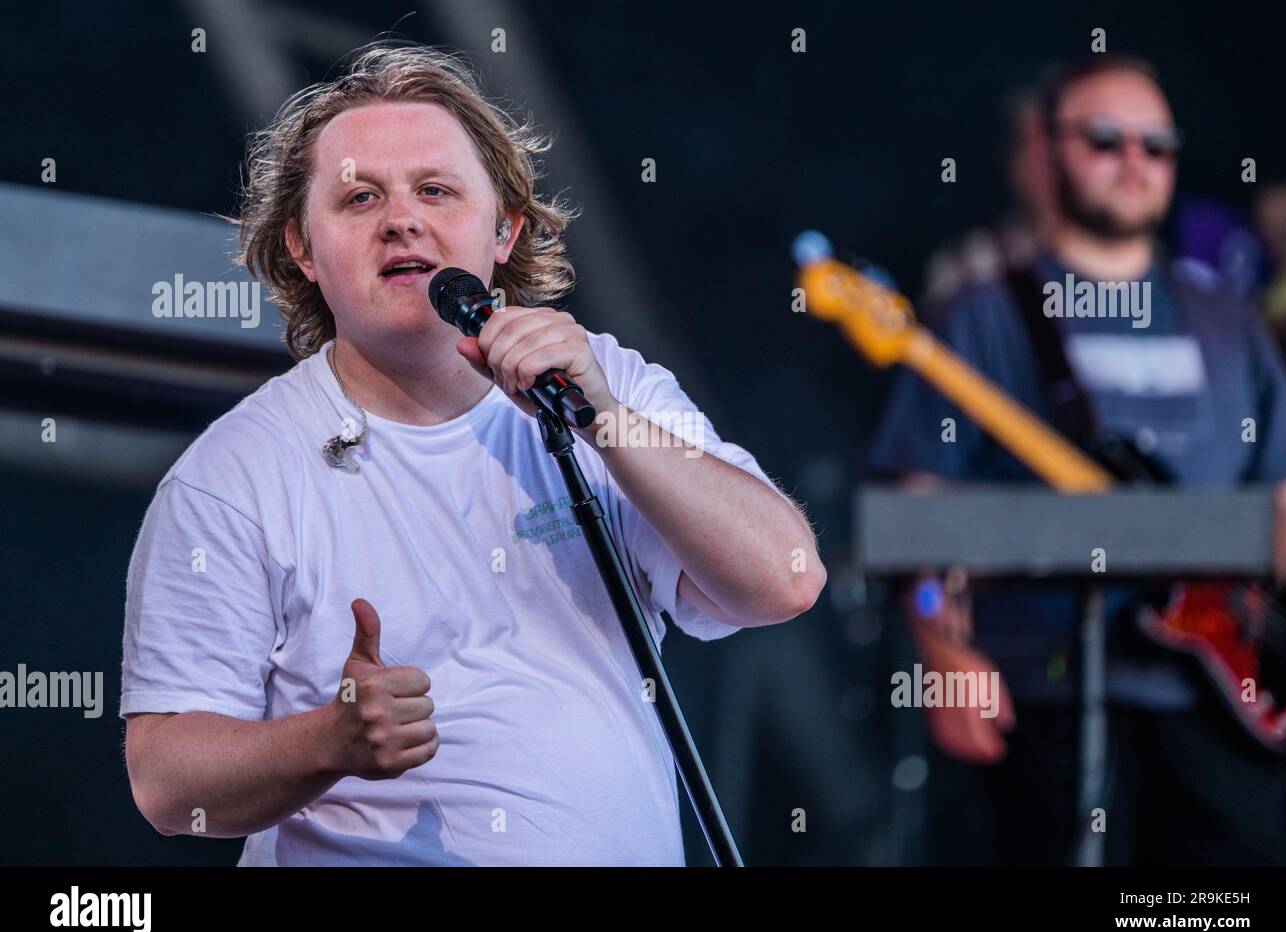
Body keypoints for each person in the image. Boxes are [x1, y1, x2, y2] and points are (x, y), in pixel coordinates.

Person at [119, 41, 824, 866]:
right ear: (303, 250)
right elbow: (166, 784)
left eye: (436, 190)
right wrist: (329, 741)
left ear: (504, 232)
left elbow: (785, 578)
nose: (402, 219)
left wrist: (601, 417)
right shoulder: (232, 474)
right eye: (358, 198)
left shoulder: (606, 385)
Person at [869, 54, 1286, 865]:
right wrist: (942, 652)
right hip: (1048, 696)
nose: (1135, 161)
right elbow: (915, 511)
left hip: (1228, 698)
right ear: (1046, 153)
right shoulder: (985, 310)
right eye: (1106, 139)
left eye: (1157, 144)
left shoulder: (1224, 315)